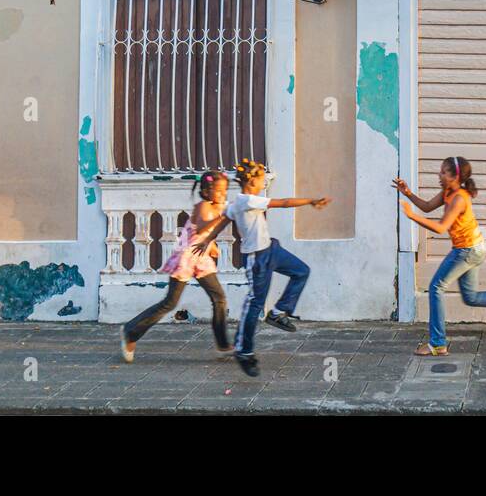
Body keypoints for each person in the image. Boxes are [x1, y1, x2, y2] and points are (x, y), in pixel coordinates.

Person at [395, 155, 486, 356]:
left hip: (468, 250)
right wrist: (407, 192)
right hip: (473, 248)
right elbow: (426, 206)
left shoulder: (460, 198)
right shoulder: (447, 192)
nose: (439, 174)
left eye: (443, 172)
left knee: (436, 287)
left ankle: (437, 343)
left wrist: (411, 216)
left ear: (454, 177)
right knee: (471, 298)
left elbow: (441, 227)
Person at [202, 159, 330, 378]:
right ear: (252, 182)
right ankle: (243, 351)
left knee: (301, 271)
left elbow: (224, 220)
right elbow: (284, 202)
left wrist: (209, 239)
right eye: (261, 179)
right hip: (257, 259)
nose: (264, 182)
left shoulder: (238, 203)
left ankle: (279, 312)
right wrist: (311, 201)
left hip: (271, 249)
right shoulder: (248, 200)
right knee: (254, 304)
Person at [120, 169, 231, 363]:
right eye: (219, 191)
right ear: (206, 191)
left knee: (219, 298)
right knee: (170, 303)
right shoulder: (204, 206)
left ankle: (223, 345)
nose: (223, 195)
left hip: (201, 258)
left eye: (225, 191)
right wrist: (225, 215)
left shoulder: (215, 207)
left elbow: (204, 234)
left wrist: (212, 246)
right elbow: (204, 226)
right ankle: (130, 332)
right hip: (187, 258)